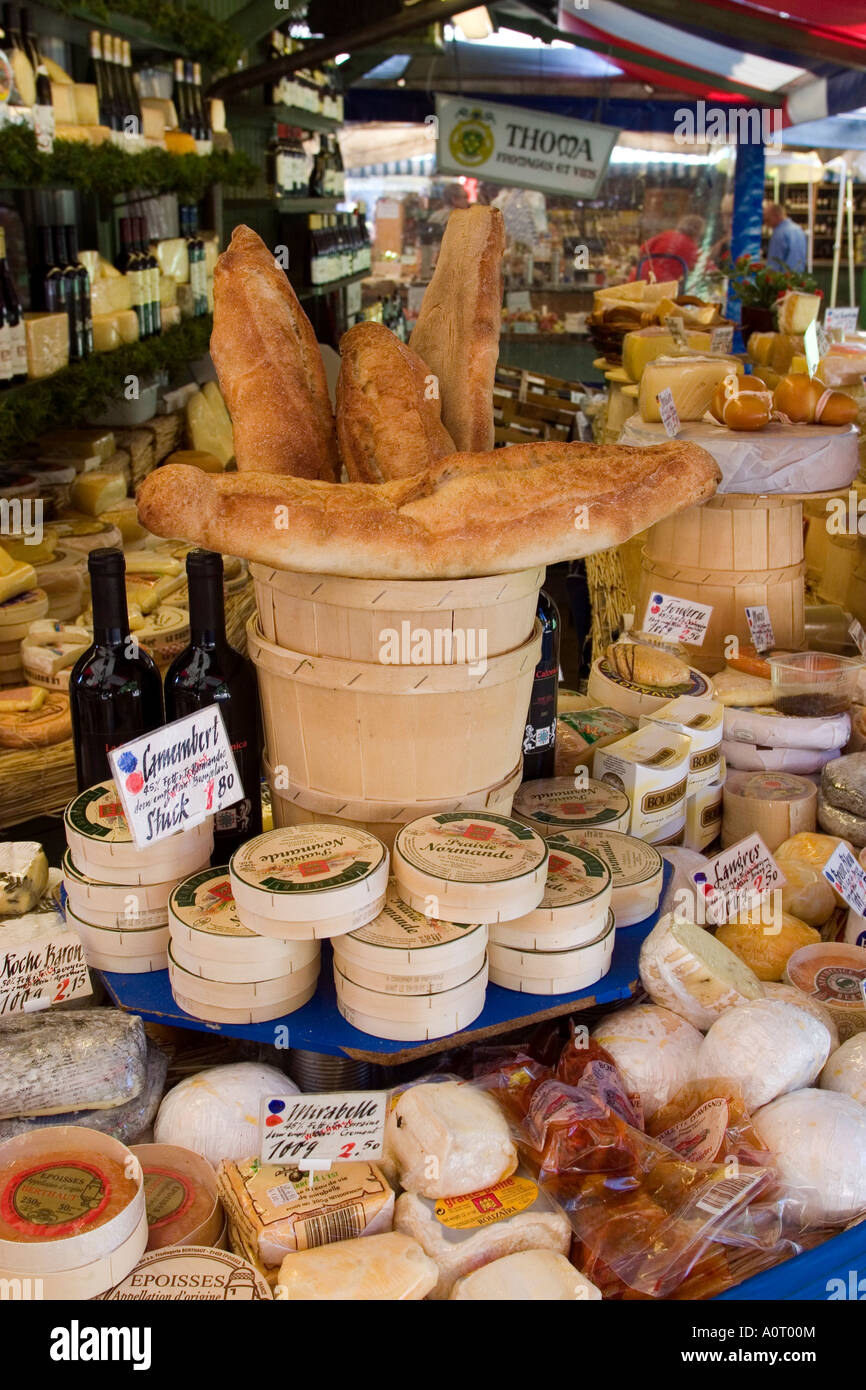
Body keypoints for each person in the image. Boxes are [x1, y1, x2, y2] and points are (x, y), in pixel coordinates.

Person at [632, 215, 705, 284]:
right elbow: (691, 271)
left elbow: (642, 251)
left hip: (639, 278)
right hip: (664, 287)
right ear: (699, 232)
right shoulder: (693, 249)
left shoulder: (666, 235)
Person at [764, 202, 807, 273]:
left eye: (767, 220)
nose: (766, 224)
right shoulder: (798, 229)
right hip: (798, 279)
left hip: (782, 280)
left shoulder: (779, 234)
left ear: (776, 215)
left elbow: (774, 265)